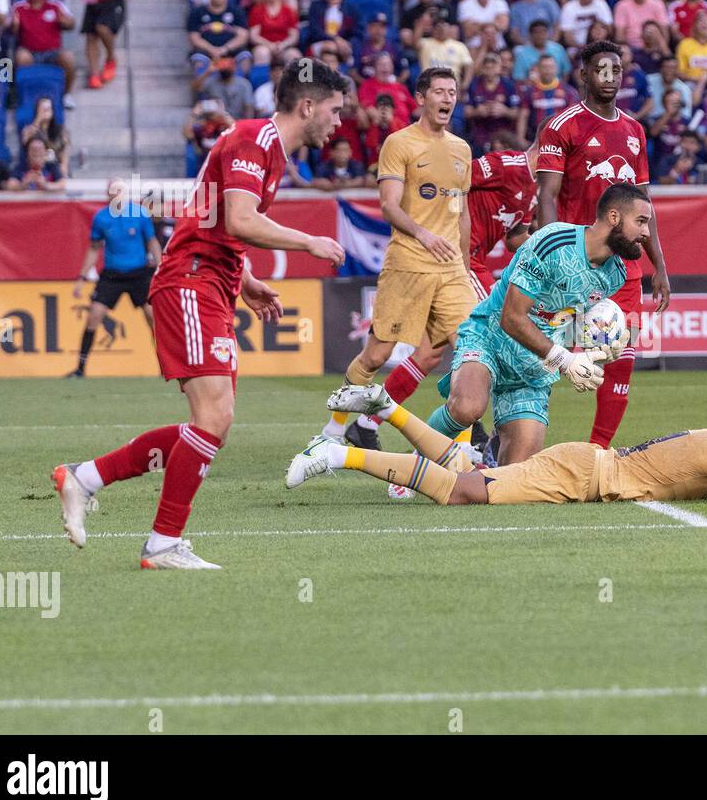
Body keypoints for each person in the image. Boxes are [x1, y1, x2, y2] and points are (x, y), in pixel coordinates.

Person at [52, 59, 347, 569]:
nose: (339, 122)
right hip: (190, 282)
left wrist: (247, 281)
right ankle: (162, 542)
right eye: (335, 110)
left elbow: (212, 218)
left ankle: (86, 478)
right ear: (307, 106)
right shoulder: (255, 142)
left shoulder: (267, 151)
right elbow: (238, 218)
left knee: (211, 425)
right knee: (213, 418)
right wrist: (308, 242)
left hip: (212, 283)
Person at [374, 185, 647, 471]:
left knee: (513, 477)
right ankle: (414, 465)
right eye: (641, 222)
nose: (647, 233)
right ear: (614, 217)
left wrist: (595, 350)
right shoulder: (554, 242)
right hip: (490, 339)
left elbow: (570, 322)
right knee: (467, 408)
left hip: (533, 369)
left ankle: (485, 460)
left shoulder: (615, 274)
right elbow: (512, 318)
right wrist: (565, 361)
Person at [289, 384, 707, 504]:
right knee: (462, 491)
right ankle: (337, 454)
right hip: (581, 475)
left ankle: (387, 407)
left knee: (469, 464)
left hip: (586, 467)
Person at [318, 68, 475, 451]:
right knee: (377, 354)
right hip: (408, 263)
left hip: (450, 269)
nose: (447, 99)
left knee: (474, 349)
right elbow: (388, 206)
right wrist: (423, 234)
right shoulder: (399, 143)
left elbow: (461, 210)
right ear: (421, 98)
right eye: (439, 92)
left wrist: (466, 266)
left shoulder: (461, 150)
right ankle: (335, 430)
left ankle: (461, 444)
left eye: (452, 92)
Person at [537, 40, 672, 449]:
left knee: (622, 356)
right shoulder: (562, 127)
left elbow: (644, 208)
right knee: (540, 359)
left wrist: (659, 268)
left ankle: (599, 451)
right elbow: (547, 196)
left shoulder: (634, 131)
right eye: (601, 70)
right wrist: (548, 256)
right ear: (584, 75)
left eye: (616, 70)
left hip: (624, 267)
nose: (610, 78)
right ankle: (513, 440)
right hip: (572, 264)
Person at [66, 177, 162, 378]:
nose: (115, 194)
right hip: (112, 275)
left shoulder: (140, 214)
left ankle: (166, 367)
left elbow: (152, 242)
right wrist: (81, 278)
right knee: (93, 316)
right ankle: (80, 369)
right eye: (112, 190)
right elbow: (94, 249)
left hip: (139, 274)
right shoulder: (101, 218)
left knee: (153, 318)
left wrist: (161, 267)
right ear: (107, 194)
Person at [12, 0, 77, 108]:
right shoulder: (18, 7)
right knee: (17, 59)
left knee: (68, 58)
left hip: (53, 52)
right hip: (29, 51)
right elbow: (10, 31)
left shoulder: (55, 5)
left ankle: (66, 95)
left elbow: (71, 23)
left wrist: (65, 22)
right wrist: (14, 25)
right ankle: (21, 95)